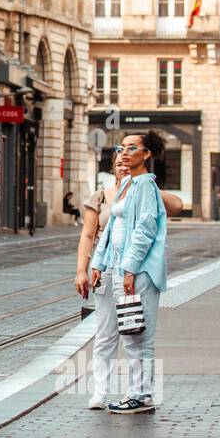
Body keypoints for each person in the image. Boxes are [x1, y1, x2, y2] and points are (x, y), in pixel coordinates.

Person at [77, 143, 181, 410]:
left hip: (130, 271)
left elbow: (149, 225)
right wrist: (92, 266)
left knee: (136, 333)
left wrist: (130, 268)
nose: (124, 158)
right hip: (112, 269)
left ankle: (141, 394)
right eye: (120, 154)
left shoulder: (145, 187)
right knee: (111, 333)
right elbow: (101, 231)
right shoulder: (112, 193)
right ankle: (104, 392)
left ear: (146, 155)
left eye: (131, 151)